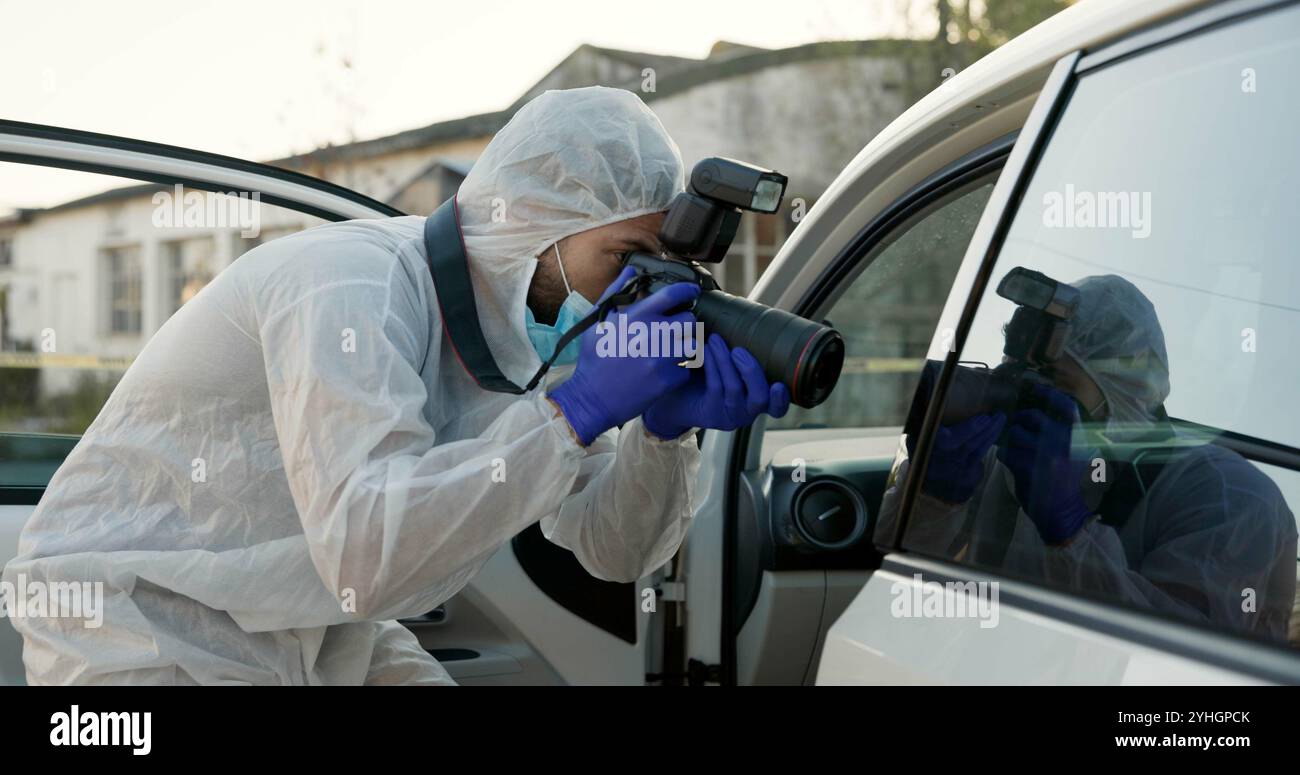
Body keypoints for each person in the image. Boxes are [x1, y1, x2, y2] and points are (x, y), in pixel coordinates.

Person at [2, 86, 789, 685]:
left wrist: (659, 435)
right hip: (139, 621)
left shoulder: (530, 335)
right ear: (536, 226)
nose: (637, 297)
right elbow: (368, 554)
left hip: (307, 622)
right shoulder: (349, 287)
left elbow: (611, 551)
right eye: (627, 261)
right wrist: (572, 414)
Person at [880, 274, 1297, 641]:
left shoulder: (1227, 495)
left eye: (1051, 379)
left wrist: (1070, 531)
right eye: (1016, 373)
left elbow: (1186, 661)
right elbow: (890, 598)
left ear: (1126, 385)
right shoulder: (1007, 460)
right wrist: (930, 498)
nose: (1027, 397)